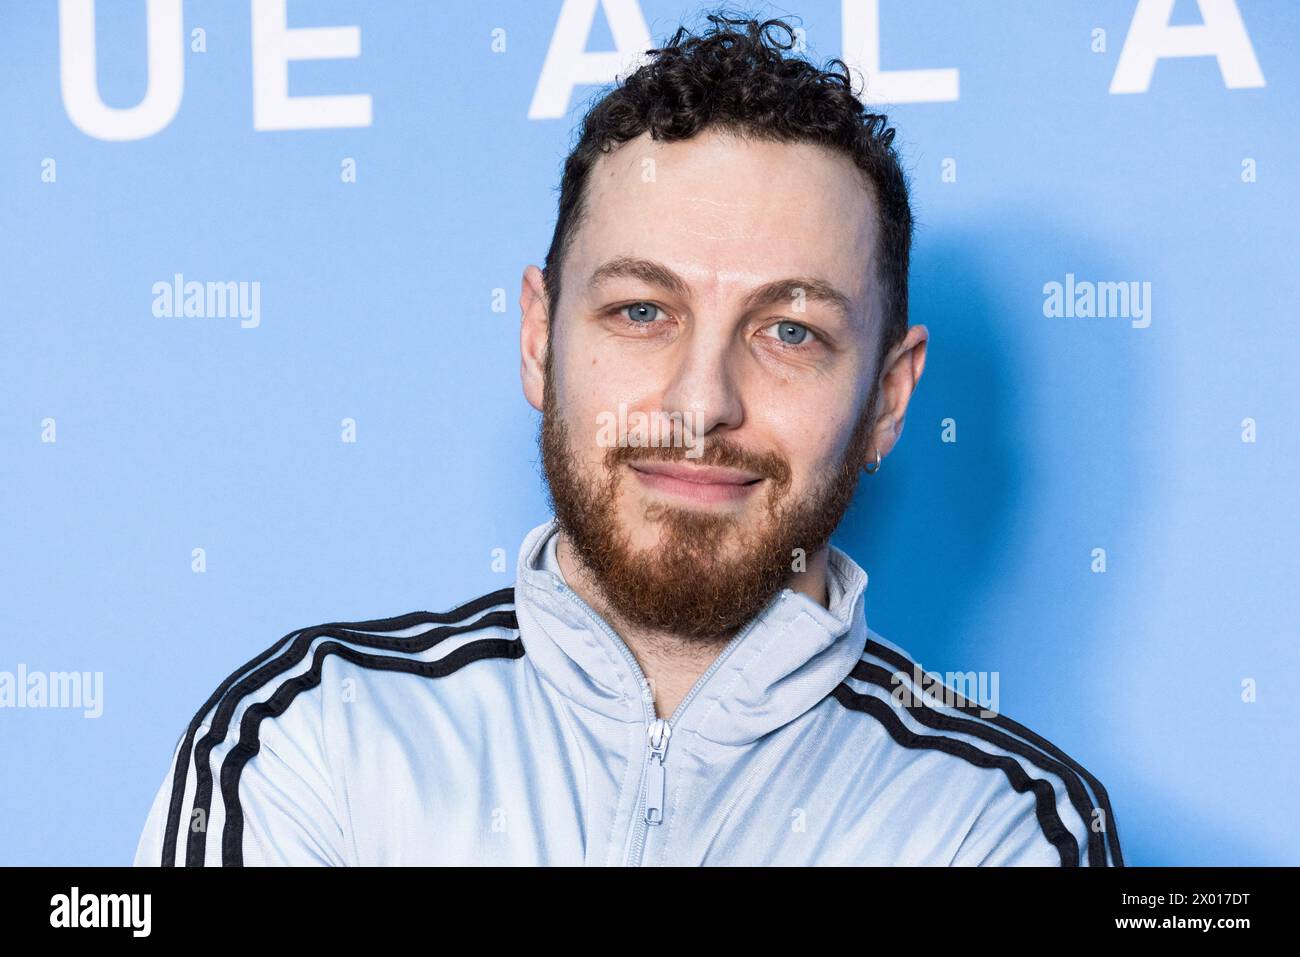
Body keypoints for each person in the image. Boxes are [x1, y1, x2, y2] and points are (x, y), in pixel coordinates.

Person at [133, 13, 1121, 867]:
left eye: (790, 332)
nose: (699, 406)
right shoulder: (314, 738)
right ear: (538, 337)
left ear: (887, 399)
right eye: (643, 311)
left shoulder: (1003, 828)